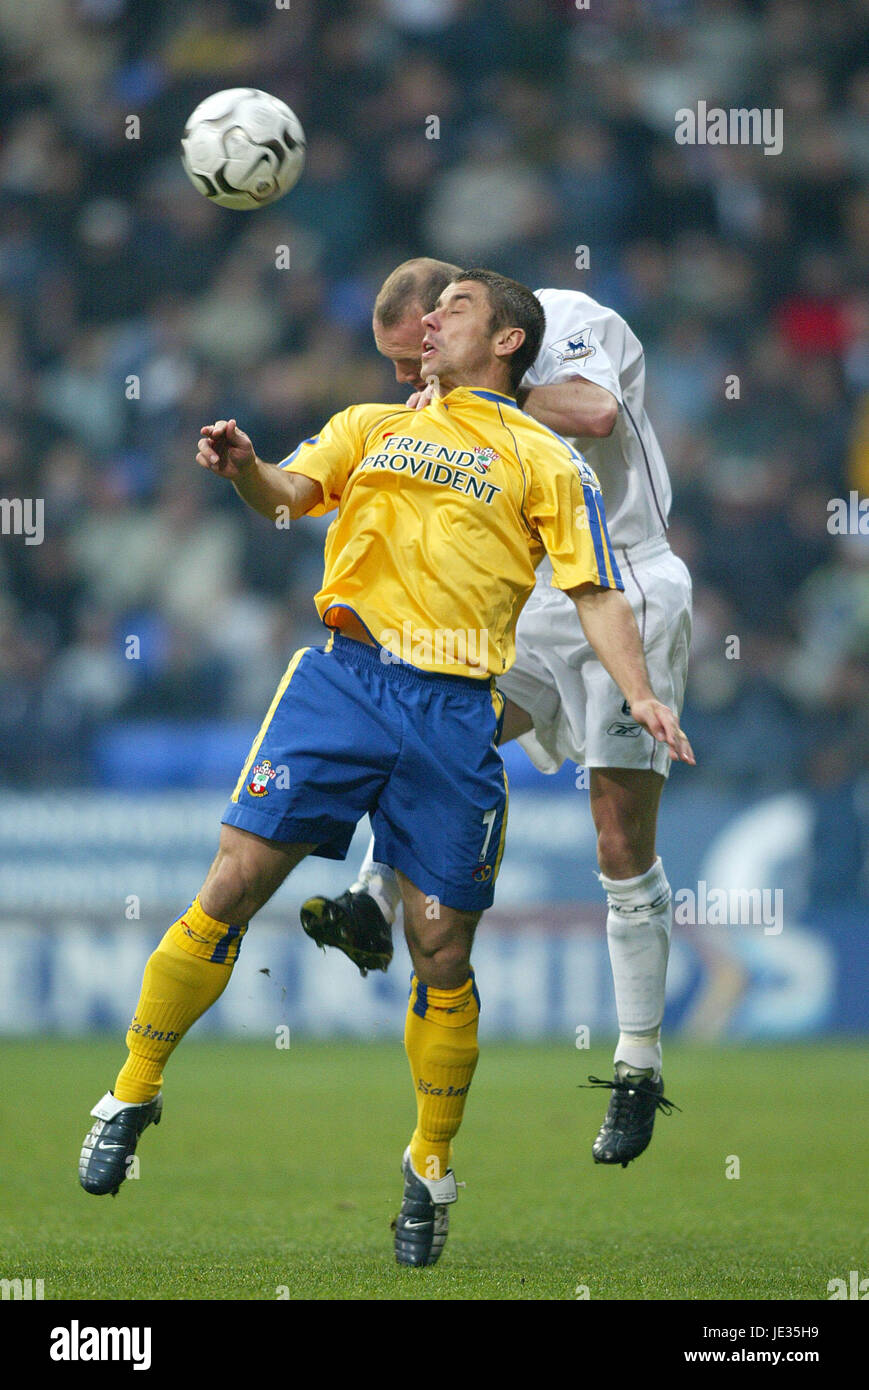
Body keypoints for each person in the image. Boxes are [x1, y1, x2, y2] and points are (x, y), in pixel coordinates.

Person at [78, 269, 693, 1269]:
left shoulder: (547, 459)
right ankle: (131, 1091)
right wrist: (243, 468)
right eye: (429, 309)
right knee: (230, 884)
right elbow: (288, 494)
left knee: (442, 950)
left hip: (455, 709)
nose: (428, 324)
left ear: (504, 340)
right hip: (344, 681)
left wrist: (642, 691)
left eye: (452, 310)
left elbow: (594, 592)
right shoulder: (372, 422)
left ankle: (429, 1164)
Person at [301, 258, 693, 1168]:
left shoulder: (566, 315)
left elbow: (594, 414)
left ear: (459, 322)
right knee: (434, 728)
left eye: (418, 358)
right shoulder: (446, 398)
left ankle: (638, 1065)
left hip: (625, 587)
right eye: (403, 369)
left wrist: (471, 396)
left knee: (617, 841)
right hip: (532, 597)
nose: (412, 381)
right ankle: (370, 896)